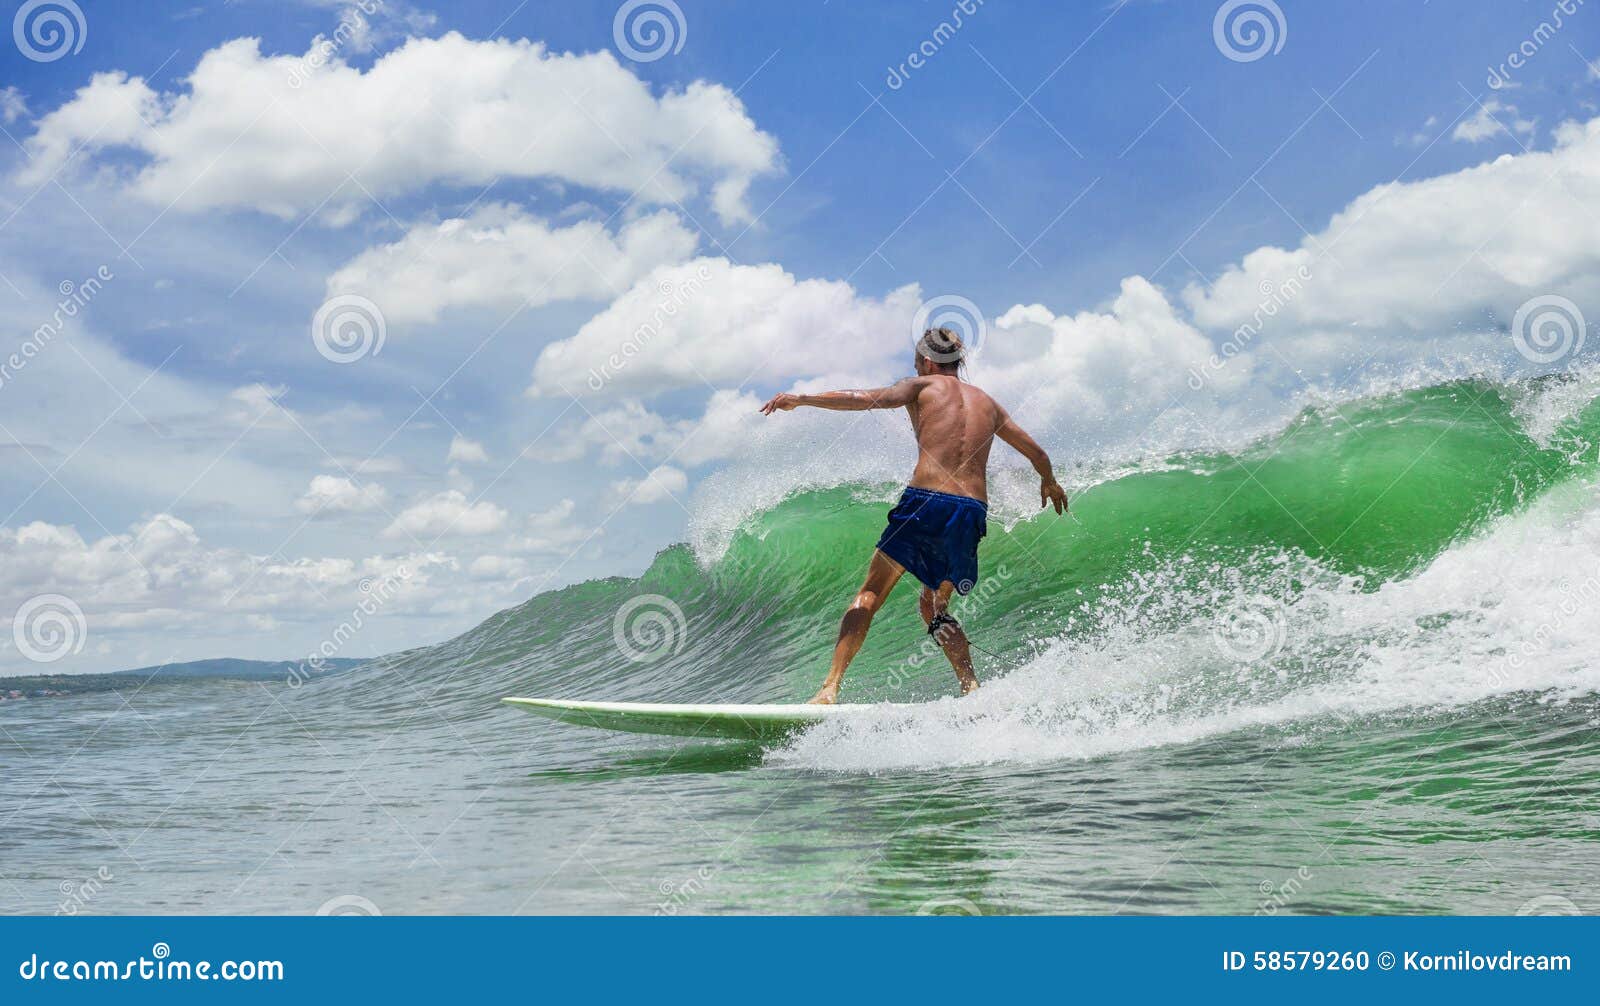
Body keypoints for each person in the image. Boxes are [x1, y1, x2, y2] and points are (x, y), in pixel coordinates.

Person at [759, 327, 1067, 704]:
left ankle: (829, 688)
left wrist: (801, 399)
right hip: (970, 511)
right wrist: (1049, 482)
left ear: (925, 360)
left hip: (925, 500)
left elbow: (862, 399)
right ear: (958, 361)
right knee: (934, 606)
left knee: (870, 595)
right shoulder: (988, 403)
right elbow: (1037, 453)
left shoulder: (920, 387)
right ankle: (970, 686)